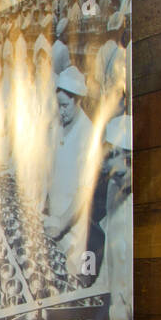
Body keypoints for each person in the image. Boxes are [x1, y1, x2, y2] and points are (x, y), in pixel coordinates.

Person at [44, 65, 96, 272]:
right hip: (54, 221)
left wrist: (62, 223)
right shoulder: (58, 125)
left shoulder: (88, 133)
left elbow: (84, 190)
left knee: (71, 275)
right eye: (58, 105)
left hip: (73, 226)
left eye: (65, 105)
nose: (60, 111)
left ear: (79, 101)